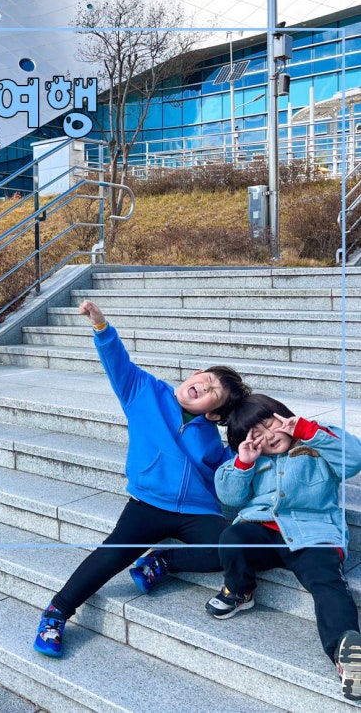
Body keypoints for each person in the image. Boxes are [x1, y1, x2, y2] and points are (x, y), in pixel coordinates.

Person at [33, 299, 251, 658]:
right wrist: (102, 327)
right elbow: (118, 363)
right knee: (110, 555)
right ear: (194, 373)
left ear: (213, 414)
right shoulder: (145, 392)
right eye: (205, 378)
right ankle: (57, 611)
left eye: (213, 392)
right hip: (146, 503)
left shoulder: (211, 437)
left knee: (228, 548)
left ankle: (164, 561)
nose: (203, 385)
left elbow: (225, 469)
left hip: (197, 510)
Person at [205, 393, 361, 702]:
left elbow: (354, 459)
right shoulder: (249, 458)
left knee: (326, 581)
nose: (267, 437)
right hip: (263, 531)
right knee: (232, 539)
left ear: (283, 416)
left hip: (313, 534)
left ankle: (346, 652)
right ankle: (240, 591)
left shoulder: (316, 441)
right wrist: (244, 463)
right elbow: (230, 497)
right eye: (256, 435)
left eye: (268, 424)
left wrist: (306, 431)